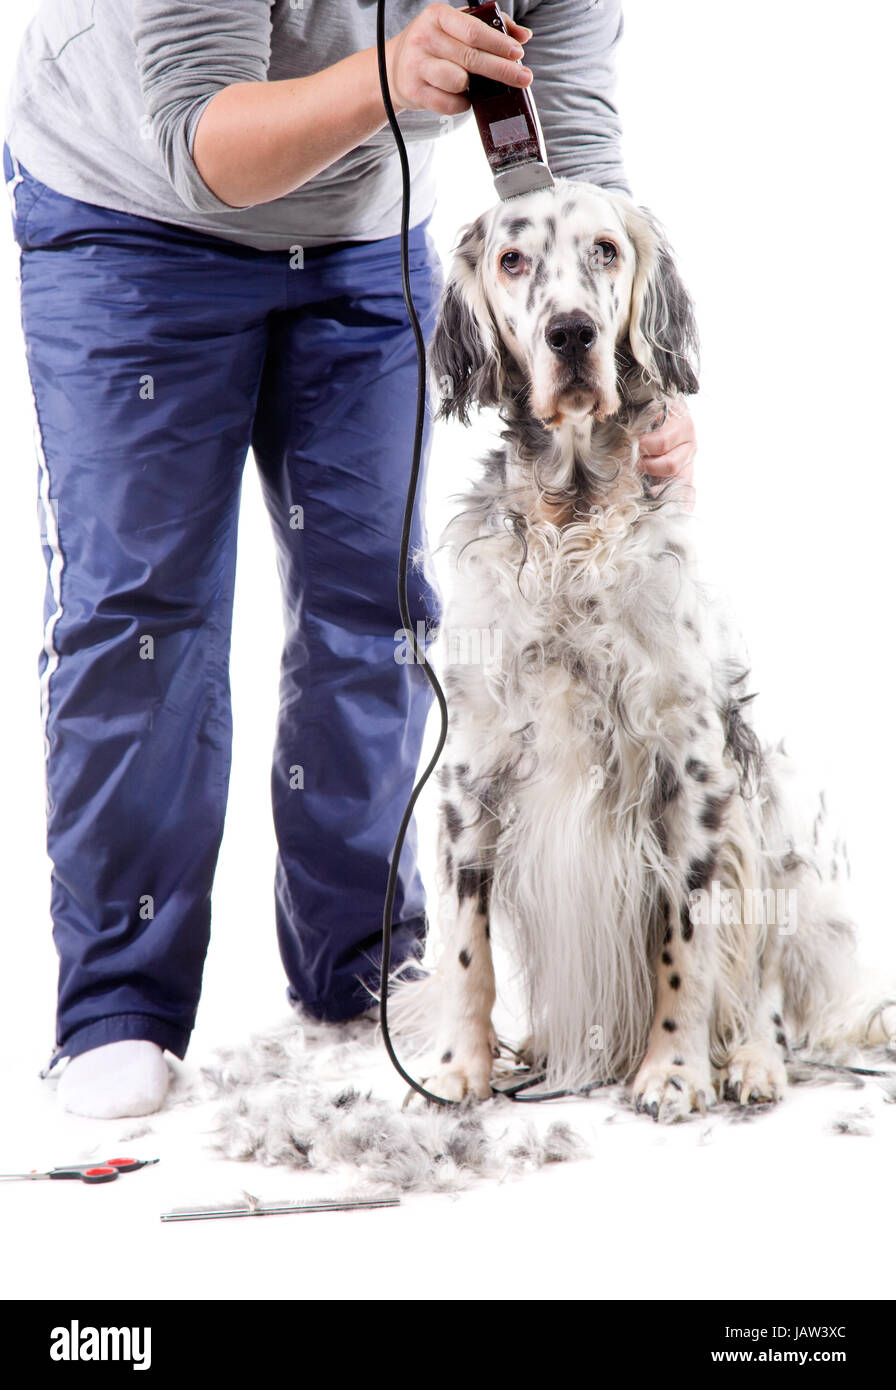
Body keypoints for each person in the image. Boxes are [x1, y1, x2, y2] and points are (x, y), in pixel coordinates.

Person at [3, 1, 696, 1119]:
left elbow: (571, 176)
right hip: (131, 206)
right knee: (141, 616)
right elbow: (199, 147)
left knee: (374, 605)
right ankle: (118, 1005)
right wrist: (385, 72)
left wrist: (641, 381)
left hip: (363, 228)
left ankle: (357, 975)